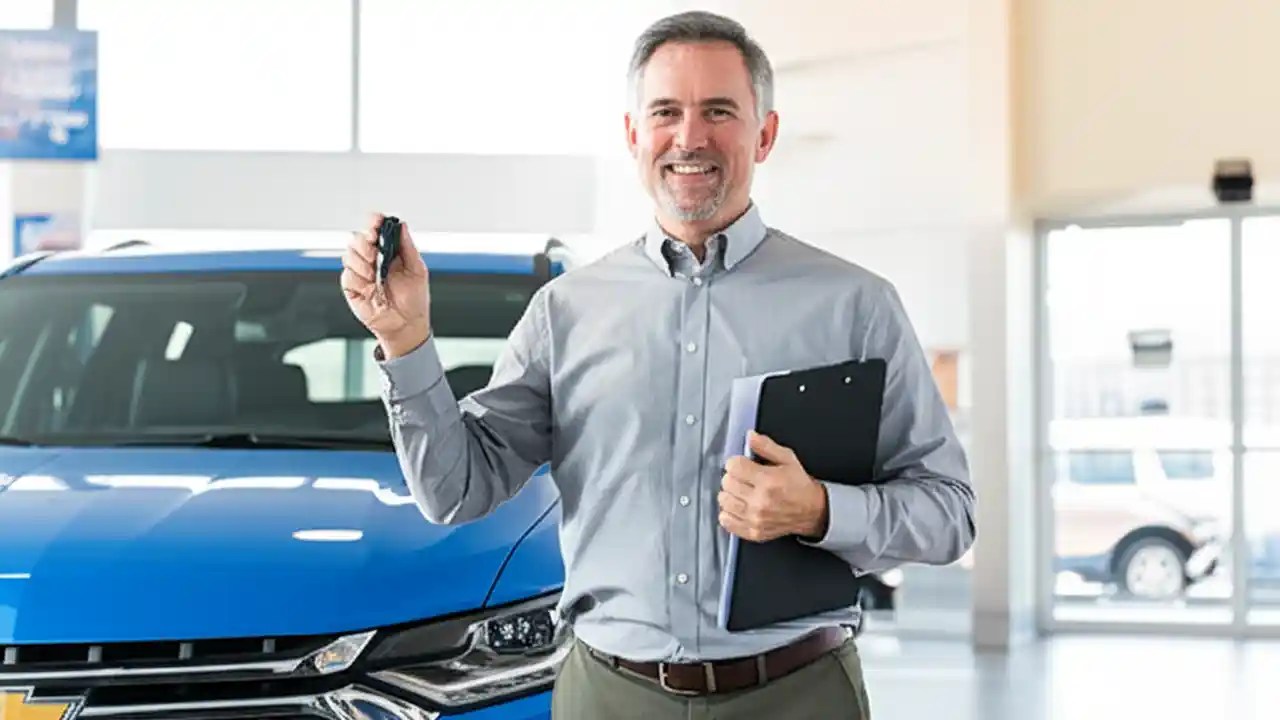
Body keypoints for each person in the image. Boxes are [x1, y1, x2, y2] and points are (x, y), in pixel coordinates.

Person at [341, 10, 975, 720]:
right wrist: (406, 342)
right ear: (633, 134)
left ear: (765, 134)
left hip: (800, 693)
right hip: (609, 695)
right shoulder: (565, 312)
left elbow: (950, 512)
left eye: (719, 111)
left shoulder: (855, 305)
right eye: (666, 111)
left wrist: (824, 510)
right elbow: (456, 490)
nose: (690, 137)